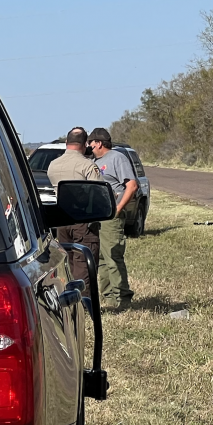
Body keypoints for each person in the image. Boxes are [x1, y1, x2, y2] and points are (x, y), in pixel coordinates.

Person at [47, 127, 103, 292]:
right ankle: (84, 304)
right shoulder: (87, 165)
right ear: (85, 145)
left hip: (62, 220)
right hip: (83, 222)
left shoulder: (53, 165)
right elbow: (99, 194)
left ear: (66, 143)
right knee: (84, 265)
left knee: (67, 263)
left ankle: (67, 298)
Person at [87, 127, 138, 308]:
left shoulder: (117, 158)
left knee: (113, 256)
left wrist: (118, 208)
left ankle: (122, 298)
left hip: (111, 216)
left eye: (90, 143)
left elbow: (132, 185)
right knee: (100, 258)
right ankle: (109, 298)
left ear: (99, 143)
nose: (89, 146)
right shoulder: (93, 161)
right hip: (97, 216)